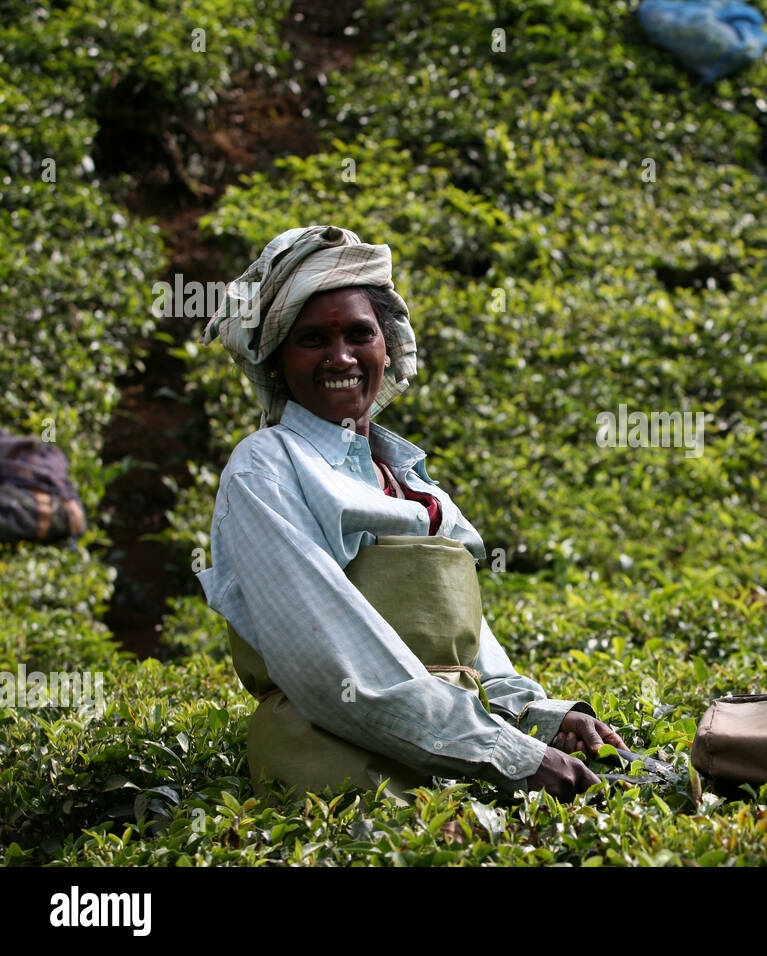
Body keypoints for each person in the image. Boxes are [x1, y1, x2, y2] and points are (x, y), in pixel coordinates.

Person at [198, 225, 625, 802]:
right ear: (276, 361)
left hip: (455, 751)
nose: (341, 356)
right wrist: (508, 753)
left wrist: (539, 717)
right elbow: (335, 667)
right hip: (337, 765)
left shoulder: (410, 479)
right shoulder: (266, 470)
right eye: (312, 339)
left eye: (358, 334)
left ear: (389, 347)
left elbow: (465, 650)